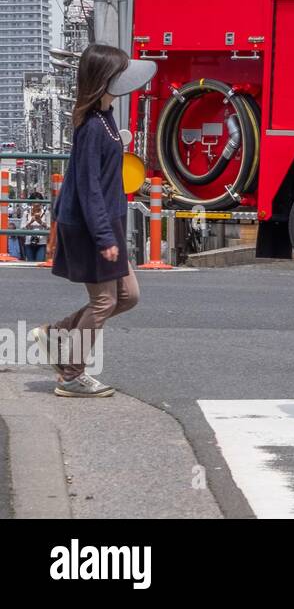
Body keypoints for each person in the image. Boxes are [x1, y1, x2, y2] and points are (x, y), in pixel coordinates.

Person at [32, 44, 156, 397]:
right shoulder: (91, 128)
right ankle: (71, 375)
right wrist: (105, 238)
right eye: (118, 74)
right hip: (90, 227)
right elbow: (89, 189)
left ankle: (58, 332)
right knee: (105, 302)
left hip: (105, 222)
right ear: (104, 80)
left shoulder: (106, 116)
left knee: (127, 296)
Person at [23, 196, 47, 262]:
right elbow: (22, 228)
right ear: (31, 204)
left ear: (41, 204)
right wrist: (31, 222)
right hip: (29, 242)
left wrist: (40, 222)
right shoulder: (26, 213)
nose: (36, 206)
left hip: (42, 242)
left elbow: (49, 227)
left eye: (38, 204)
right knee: (30, 264)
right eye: (35, 204)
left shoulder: (46, 213)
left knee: (39, 263)